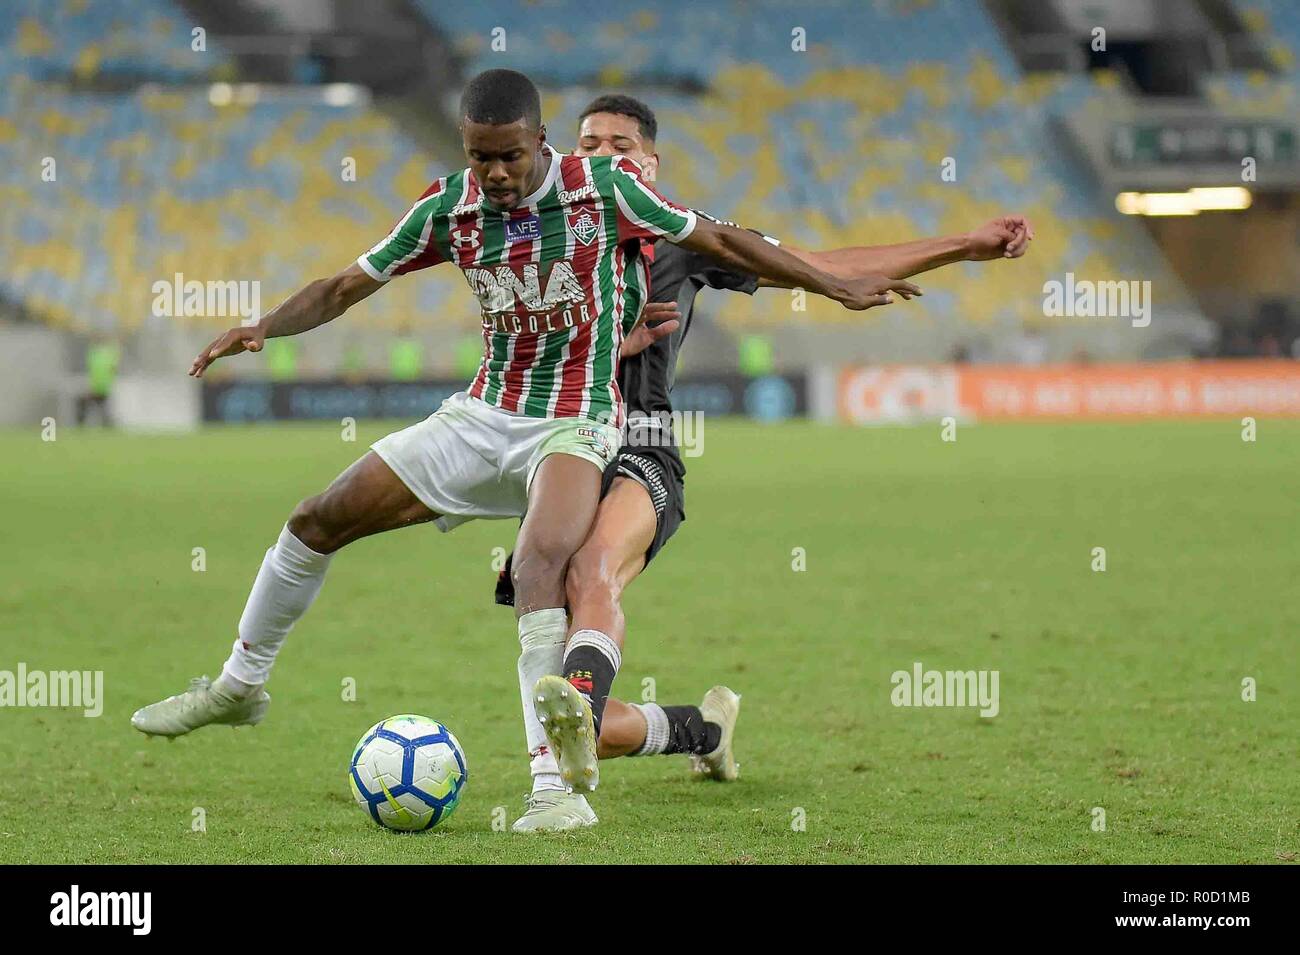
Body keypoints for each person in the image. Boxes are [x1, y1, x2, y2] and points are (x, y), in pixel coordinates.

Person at [129, 68, 914, 804]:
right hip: (481, 415)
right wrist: (267, 326)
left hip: (574, 421)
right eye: (480, 157)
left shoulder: (602, 189)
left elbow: (719, 240)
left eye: (508, 156)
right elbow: (344, 284)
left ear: (542, 144)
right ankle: (238, 686)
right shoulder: (449, 207)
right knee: (314, 519)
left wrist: (830, 283)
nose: (495, 173)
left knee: (540, 565)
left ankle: (553, 791)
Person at [498, 93, 1033, 831]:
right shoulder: (534, 242)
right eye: (587, 143)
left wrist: (958, 247)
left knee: (593, 576)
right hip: (558, 456)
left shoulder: (678, 238)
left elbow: (814, 263)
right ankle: (699, 730)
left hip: (641, 448)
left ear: (648, 166)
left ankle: (576, 719)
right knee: (566, 692)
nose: (600, 156)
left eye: (619, 145)